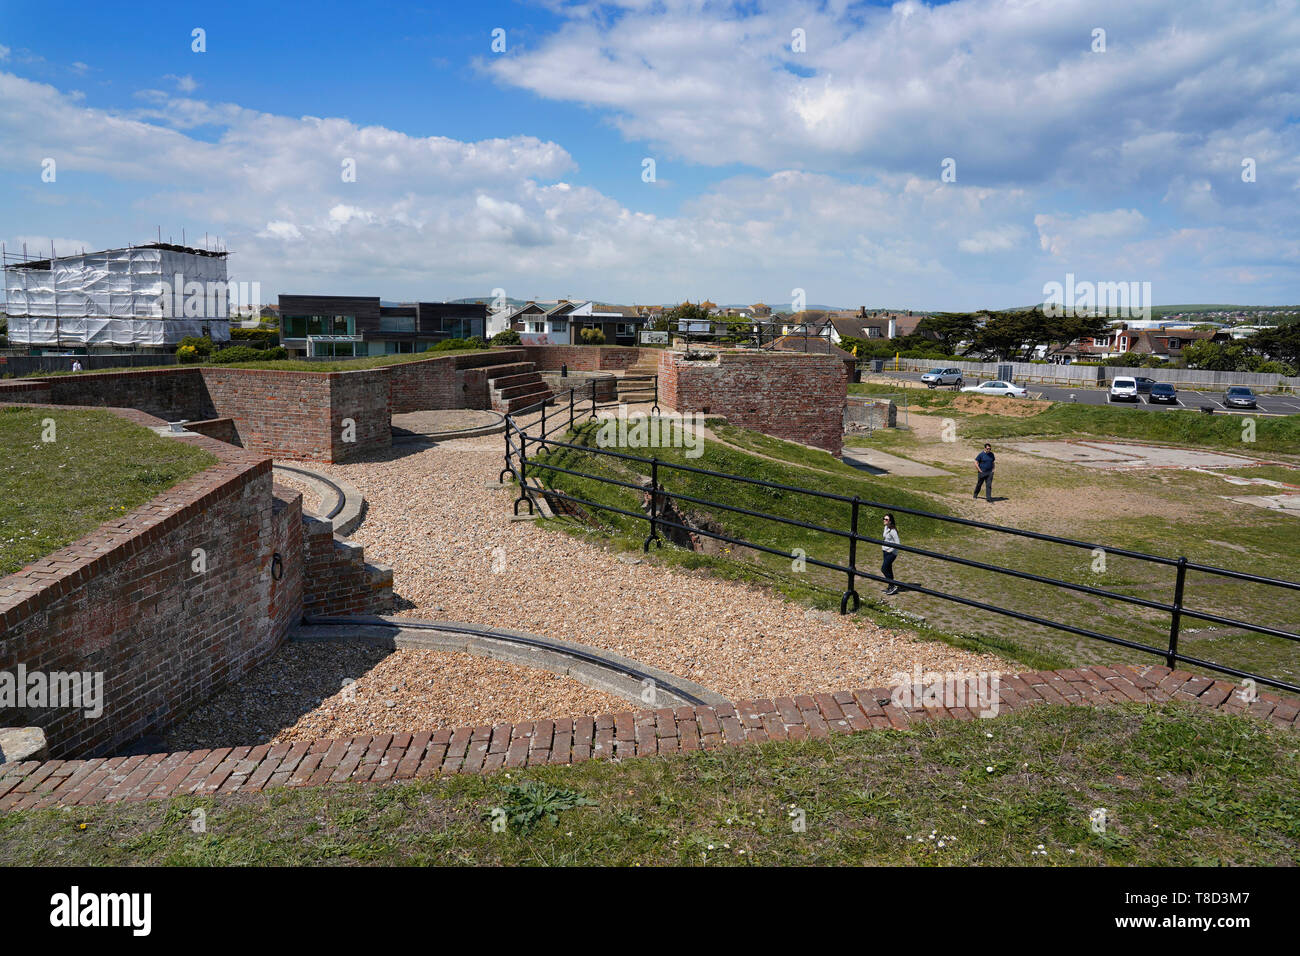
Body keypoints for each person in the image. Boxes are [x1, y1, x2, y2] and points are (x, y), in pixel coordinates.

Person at [881, 513, 900, 595]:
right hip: (885, 551)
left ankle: (892, 586)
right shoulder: (886, 527)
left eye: (886, 519)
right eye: (884, 519)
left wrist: (891, 550)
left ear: (890, 521)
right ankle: (890, 587)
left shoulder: (893, 530)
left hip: (891, 553)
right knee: (888, 569)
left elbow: (898, 543)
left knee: (884, 569)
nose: (884, 520)